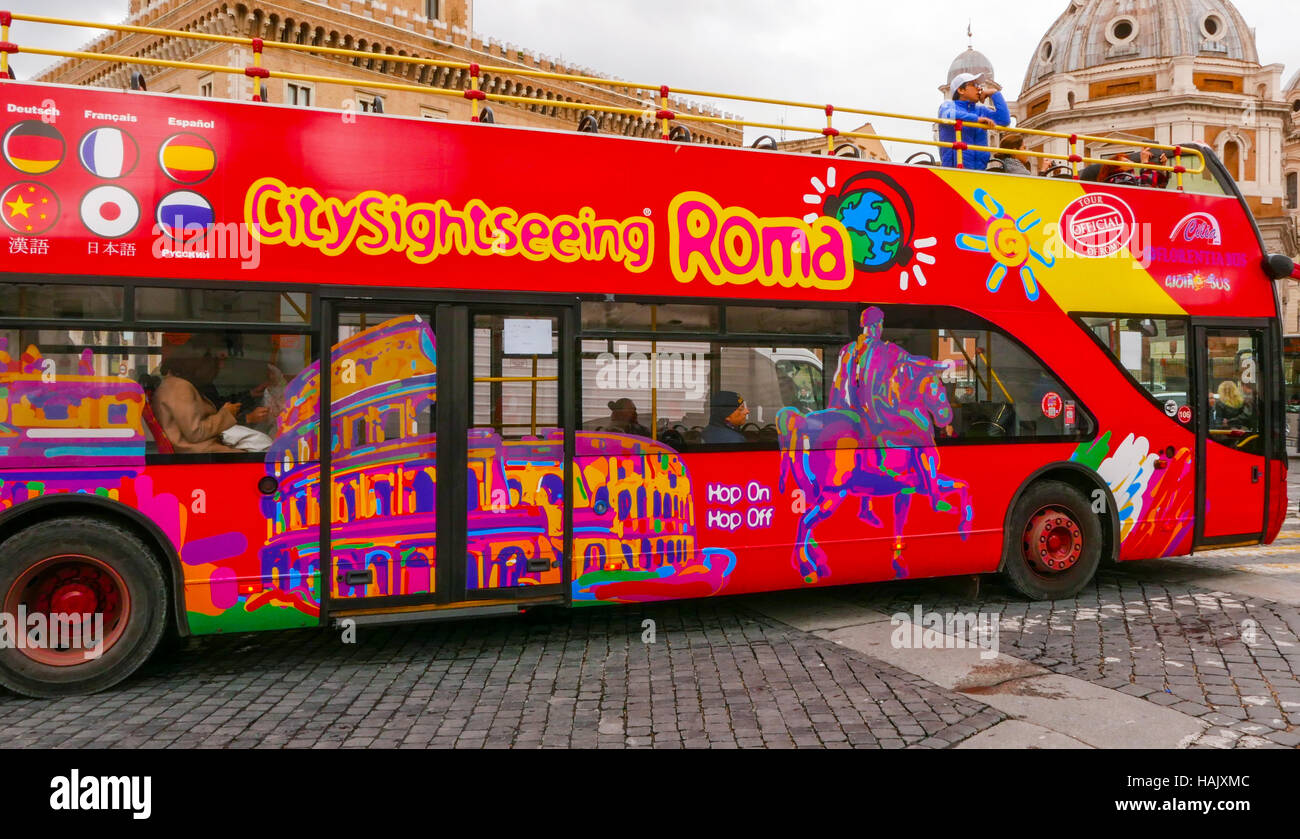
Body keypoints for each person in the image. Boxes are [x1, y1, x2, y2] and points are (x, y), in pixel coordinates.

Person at [938, 73, 1011, 171]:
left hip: (979, 169)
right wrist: (977, 119)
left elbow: (1004, 120)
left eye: (979, 85)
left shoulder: (981, 110)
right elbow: (946, 114)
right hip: (954, 168)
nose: (979, 88)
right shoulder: (949, 105)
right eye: (973, 85)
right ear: (961, 90)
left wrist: (994, 93)